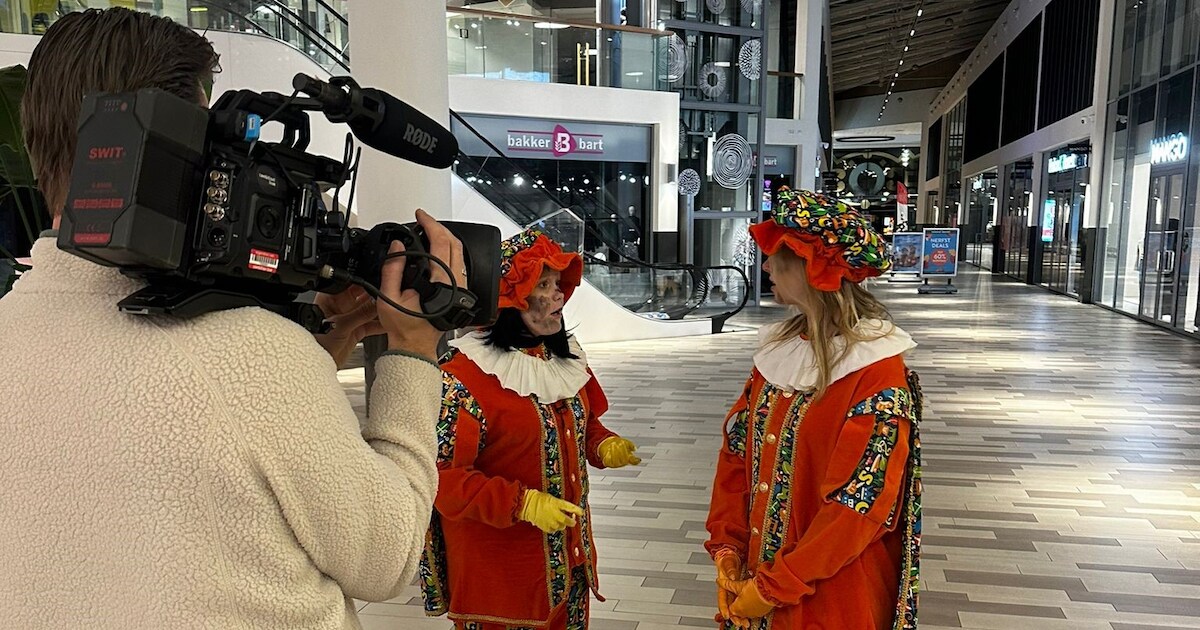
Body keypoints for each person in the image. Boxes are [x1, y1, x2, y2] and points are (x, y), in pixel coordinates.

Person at [0, 9, 463, 629]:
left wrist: (325, 341)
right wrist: (411, 354)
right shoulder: (252, 356)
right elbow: (387, 557)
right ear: (178, 143)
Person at [705, 187, 923, 630]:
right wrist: (727, 549)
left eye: (776, 255)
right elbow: (737, 455)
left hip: (832, 599)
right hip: (756, 583)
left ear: (811, 268)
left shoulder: (876, 371)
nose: (765, 266)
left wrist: (774, 587)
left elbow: (859, 507)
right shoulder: (777, 352)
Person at [421, 229, 642, 629]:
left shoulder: (565, 357)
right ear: (510, 299)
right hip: (502, 581)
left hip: (568, 567)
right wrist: (520, 503)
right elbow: (442, 480)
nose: (558, 295)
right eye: (543, 284)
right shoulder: (463, 379)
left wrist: (603, 444)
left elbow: (582, 423)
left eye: (558, 284)